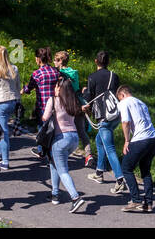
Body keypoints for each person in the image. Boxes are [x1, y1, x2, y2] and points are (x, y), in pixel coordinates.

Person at [40, 76, 87, 213]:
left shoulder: (53, 100)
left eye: (56, 86)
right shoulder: (72, 101)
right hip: (73, 138)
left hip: (60, 139)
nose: (54, 88)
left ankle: (75, 198)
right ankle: (55, 194)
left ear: (59, 88)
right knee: (54, 163)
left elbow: (45, 118)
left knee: (63, 171)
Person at [84, 51, 126, 196]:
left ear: (96, 61)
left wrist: (84, 94)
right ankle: (99, 172)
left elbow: (89, 97)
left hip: (103, 116)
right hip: (115, 114)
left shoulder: (92, 77)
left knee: (110, 148)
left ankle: (120, 180)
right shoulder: (114, 76)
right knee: (99, 141)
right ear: (108, 62)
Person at [117, 85, 155, 213]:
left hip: (140, 139)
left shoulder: (124, 103)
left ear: (122, 95)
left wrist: (127, 141)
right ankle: (148, 203)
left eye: (119, 99)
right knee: (145, 171)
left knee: (126, 168)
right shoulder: (141, 102)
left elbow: (126, 122)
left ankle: (135, 200)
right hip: (152, 139)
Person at [22, 47, 61, 132]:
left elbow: (29, 88)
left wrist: (23, 89)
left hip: (43, 107)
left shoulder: (37, 73)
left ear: (38, 59)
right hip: (56, 106)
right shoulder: (56, 71)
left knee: (42, 133)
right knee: (53, 131)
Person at [54, 50, 88, 148]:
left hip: (64, 103)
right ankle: (88, 154)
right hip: (77, 102)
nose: (54, 62)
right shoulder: (74, 73)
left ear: (60, 61)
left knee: (61, 128)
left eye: (55, 60)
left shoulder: (60, 74)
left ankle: (59, 151)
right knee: (81, 131)